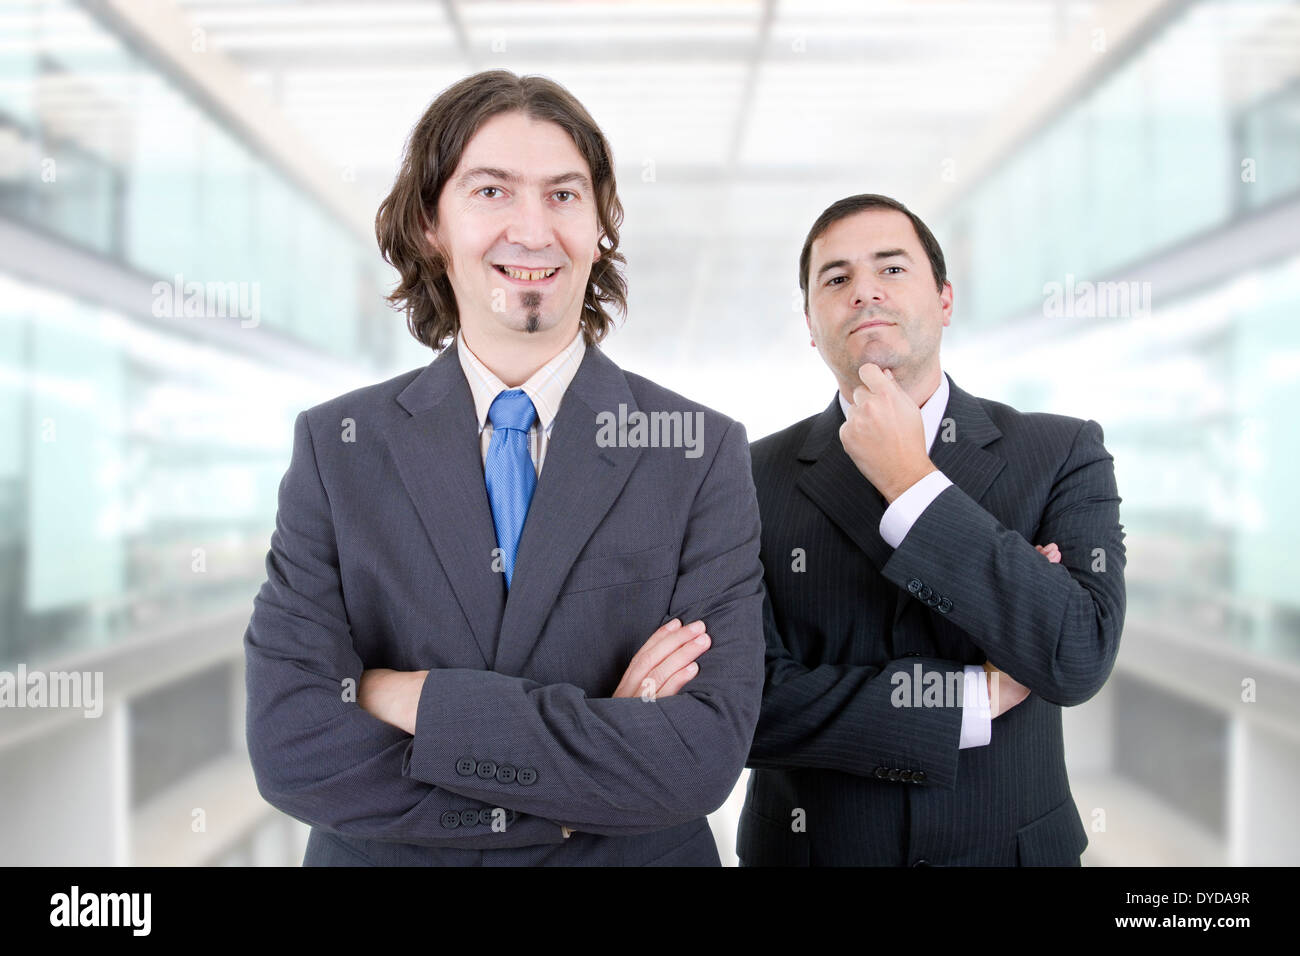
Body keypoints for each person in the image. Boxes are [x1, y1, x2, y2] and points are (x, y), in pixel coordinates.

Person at [243, 70, 765, 866]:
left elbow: (698, 757)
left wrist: (403, 695)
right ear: (429, 225)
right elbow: (293, 747)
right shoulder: (337, 447)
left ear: (599, 228)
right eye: (492, 191)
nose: (533, 229)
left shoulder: (697, 451)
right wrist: (573, 792)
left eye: (564, 195)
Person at [737, 193, 1126, 866]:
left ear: (944, 300)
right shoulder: (747, 475)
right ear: (810, 322)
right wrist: (968, 697)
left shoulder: (1061, 452)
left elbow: (1076, 652)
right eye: (836, 279)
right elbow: (743, 704)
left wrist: (913, 484)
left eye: (891, 269)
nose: (864, 292)